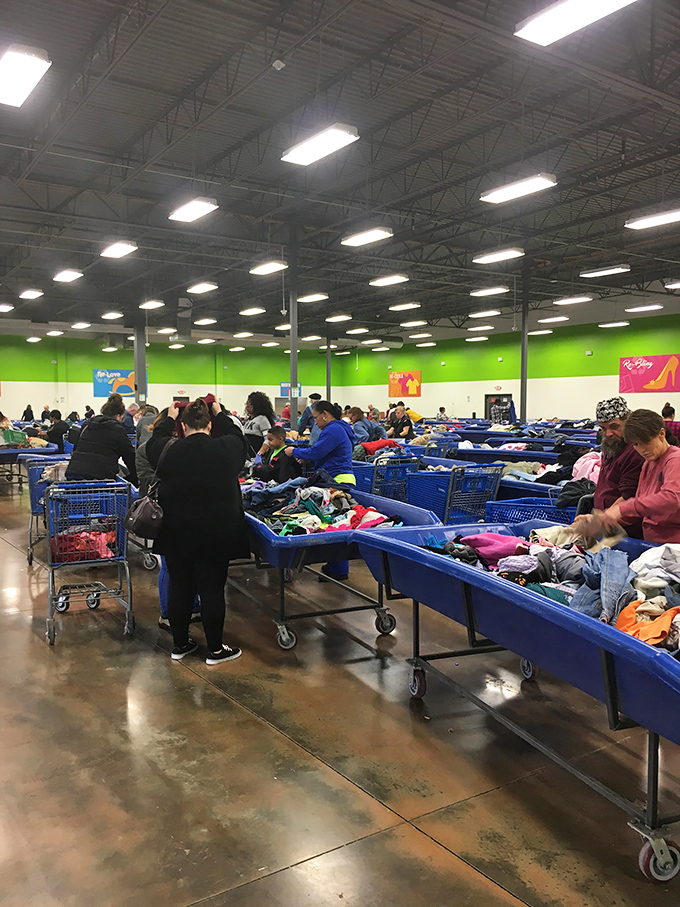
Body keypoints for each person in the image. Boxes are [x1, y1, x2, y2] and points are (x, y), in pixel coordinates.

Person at [147, 398, 249, 663]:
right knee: (212, 588)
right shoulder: (227, 448)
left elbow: (152, 442)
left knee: (180, 587)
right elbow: (237, 436)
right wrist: (220, 413)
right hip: (217, 532)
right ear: (210, 424)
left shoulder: (168, 449)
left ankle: (180, 645)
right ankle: (215, 650)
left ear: (182, 425)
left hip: (176, 530)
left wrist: (169, 418)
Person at [284, 401, 356, 581]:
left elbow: (316, 452)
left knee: (334, 525)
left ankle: (338, 569)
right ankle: (335, 567)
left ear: (325, 414)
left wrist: (295, 452)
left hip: (336, 481)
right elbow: (324, 453)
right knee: (336, 524)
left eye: (316, 418)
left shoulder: (334, 429)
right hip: (339, 479)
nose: (314, 422)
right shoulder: (340, 428)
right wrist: (307, 457)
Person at [587, 409, 680, 544]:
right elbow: (640, 505)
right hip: (653, 544)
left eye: (646, 442)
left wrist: (622, 508)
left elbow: (671, 499)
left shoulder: (675, 459)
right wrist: (603, 520)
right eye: (636, 444)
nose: (642, 449)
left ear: (661, 434)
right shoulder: (648, 463)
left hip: (673, 547)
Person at [65, 393, 138, 484]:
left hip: (74, 473)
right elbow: (129, 456)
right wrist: (136, 480)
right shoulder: (118, 429)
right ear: (118, 416)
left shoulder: (87, 424)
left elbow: (76, 448)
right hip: (101, 477)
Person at [592, 397, 644, 513]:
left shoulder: (634, 452)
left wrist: (602, 520)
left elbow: (628, 496)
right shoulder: (611, 446)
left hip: (620, 520)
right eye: (603, 428)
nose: (608, 434)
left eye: (614, 427)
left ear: (627, 423)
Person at [243, 391, 275, 456]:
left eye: (249, 404)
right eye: (246, 404)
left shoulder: (262, 419)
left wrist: (259, 454)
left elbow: (268, 439)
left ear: (256, 405)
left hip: (256, 455)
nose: (247, 406)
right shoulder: (249, 420)